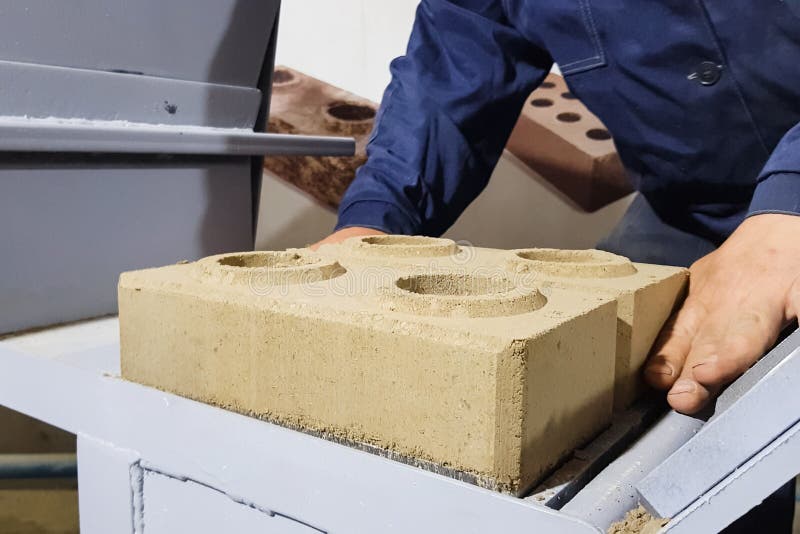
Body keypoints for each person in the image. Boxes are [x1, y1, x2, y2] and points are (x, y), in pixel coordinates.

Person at [313, 2, 800, 530]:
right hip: (685, 204)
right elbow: (452, 65)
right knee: (627, 402)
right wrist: (372, 222)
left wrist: (790, 202)